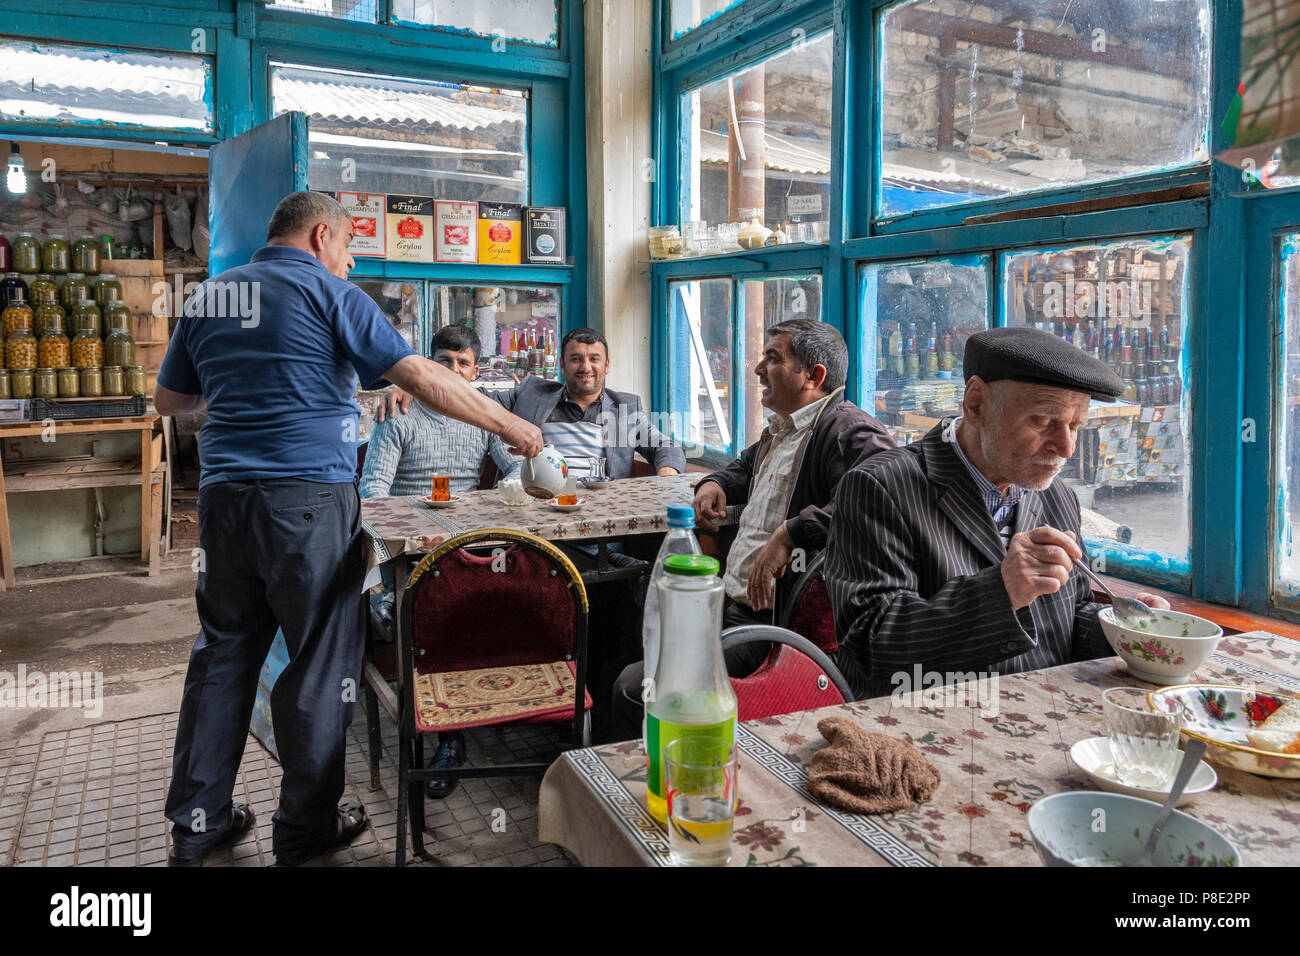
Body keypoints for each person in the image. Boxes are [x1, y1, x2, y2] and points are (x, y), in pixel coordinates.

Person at [154, 191, 542, 866]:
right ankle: (305, 829)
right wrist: (511, 425)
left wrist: (253, 387)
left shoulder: (212, 296)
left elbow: (169, 399)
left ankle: (199, 824)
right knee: (319, 661)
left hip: (223, 506)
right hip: (306, 504)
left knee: (223, 655)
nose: (351, 258)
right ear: (320, 234)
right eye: (348, 246)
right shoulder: (334, 294)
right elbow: (422, 376)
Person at [823, 326, 1171, 701]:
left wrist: (1124, 630)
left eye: (1075, 426)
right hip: (927, 720)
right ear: (976, 403)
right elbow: (871, 645)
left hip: (1041, 715)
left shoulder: (1058, 498)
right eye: (1044, 421)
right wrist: (1001, 591)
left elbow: (1069, 616)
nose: (1066, 447)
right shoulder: (881, 486)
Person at [610, 319, 893, 738]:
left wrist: (794, 531)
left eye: (774, 359)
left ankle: (673, 778)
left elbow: (884, 493)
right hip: (734, 605)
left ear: (813, 376)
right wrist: (713, 483)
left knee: (635, 689)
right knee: (643, 628)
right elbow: (742, 466)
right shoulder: (784, 428)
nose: (759, 368)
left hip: (777, 631)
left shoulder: (846, 429)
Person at [359, 322, 520, 801]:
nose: (452, 372)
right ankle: (449, 738)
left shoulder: (482, 416)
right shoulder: (399, 414)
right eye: (442, 362)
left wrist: (521, 479)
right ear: (426, 366)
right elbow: (372, 494)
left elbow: (516, 467)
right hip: (407, 559)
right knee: (435, 616)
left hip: (470, 552)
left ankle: (491, 708)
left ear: (474, 373)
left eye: (463, 364)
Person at [493, 327, 686, 483]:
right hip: (536, 502)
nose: (586, 367)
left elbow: (666, 446)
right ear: (562, 364)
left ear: (607, 365)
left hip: (600, 507)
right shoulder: (531, 393)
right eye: (576, 359)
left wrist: (667, 477)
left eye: (594, 359)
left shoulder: (625, 409)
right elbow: (483, 402)